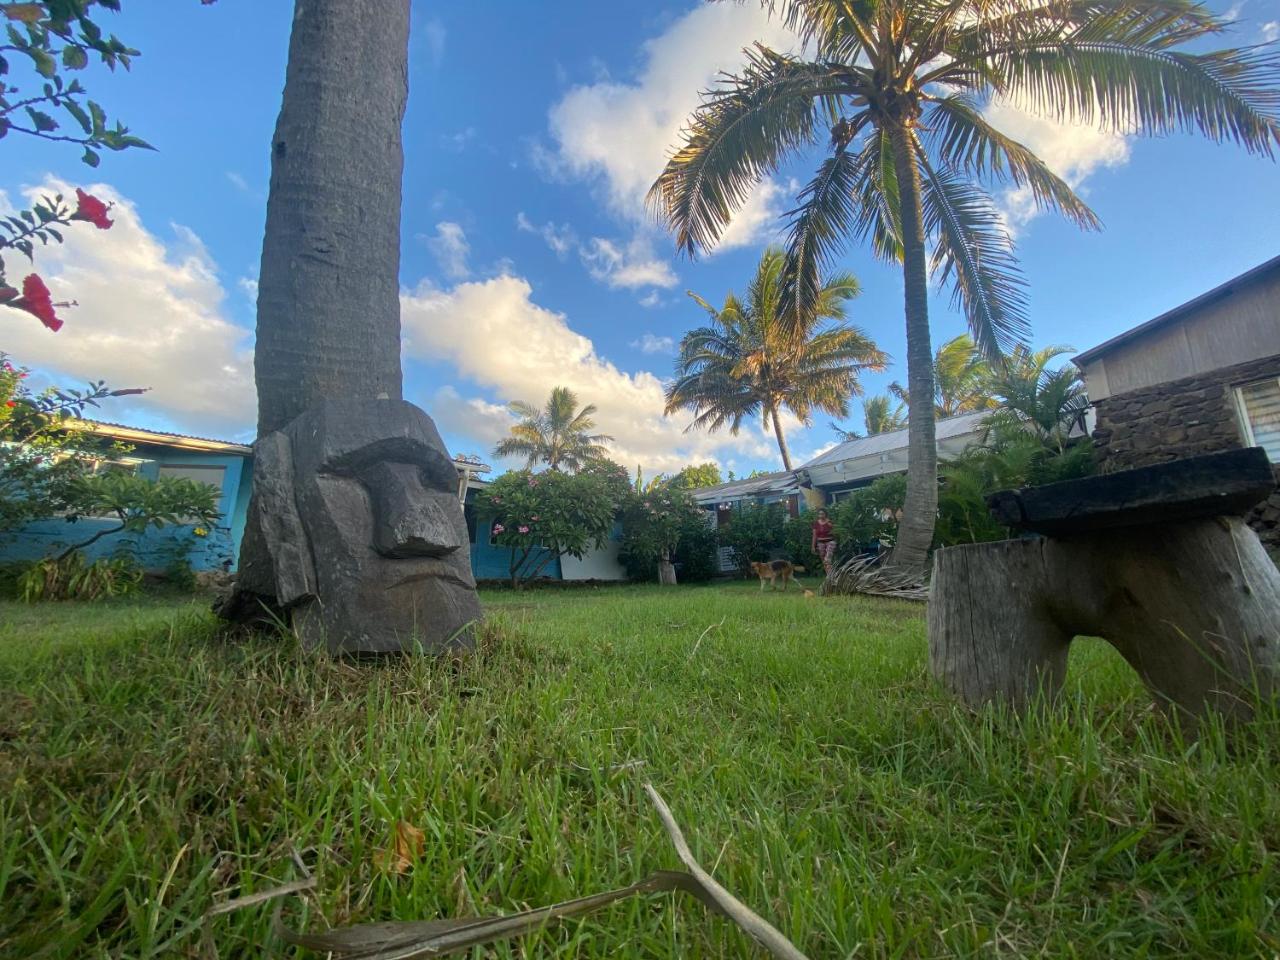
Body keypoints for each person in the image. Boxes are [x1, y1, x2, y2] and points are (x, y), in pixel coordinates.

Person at [811, 508, 836, 576]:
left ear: (825, 514)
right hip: (820, 543)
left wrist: (831, 526)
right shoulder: (816, 523)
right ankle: (829, 577)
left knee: (827, 559)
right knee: (824, 561)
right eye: (819, 514)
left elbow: (835, 532)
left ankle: (831, 576)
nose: (821, 515)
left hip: (830, 542)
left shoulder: (829, 522)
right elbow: (814, 535)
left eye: (822, 514)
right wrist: (813, 546)